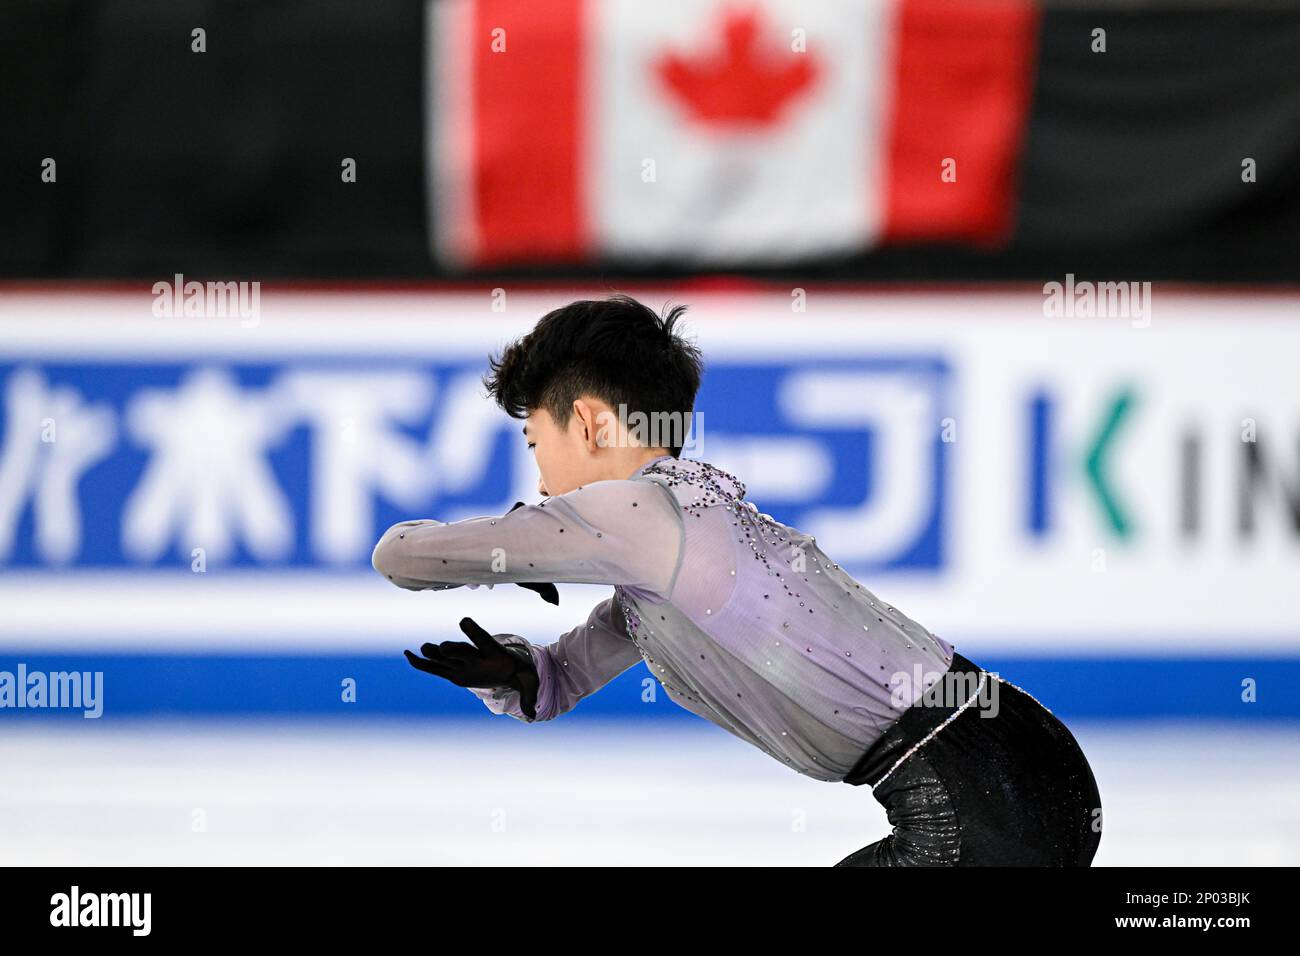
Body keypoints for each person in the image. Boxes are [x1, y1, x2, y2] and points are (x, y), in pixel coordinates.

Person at [371, 294, 1103, 866]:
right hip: (1011, 766)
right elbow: (561, 677)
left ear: (592, 425)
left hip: (978, 792)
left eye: (536, 442)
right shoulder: (667, 553)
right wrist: (516, 670)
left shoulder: (641, 515)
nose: (538, 477)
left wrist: (511, 542)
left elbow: (399, 556)